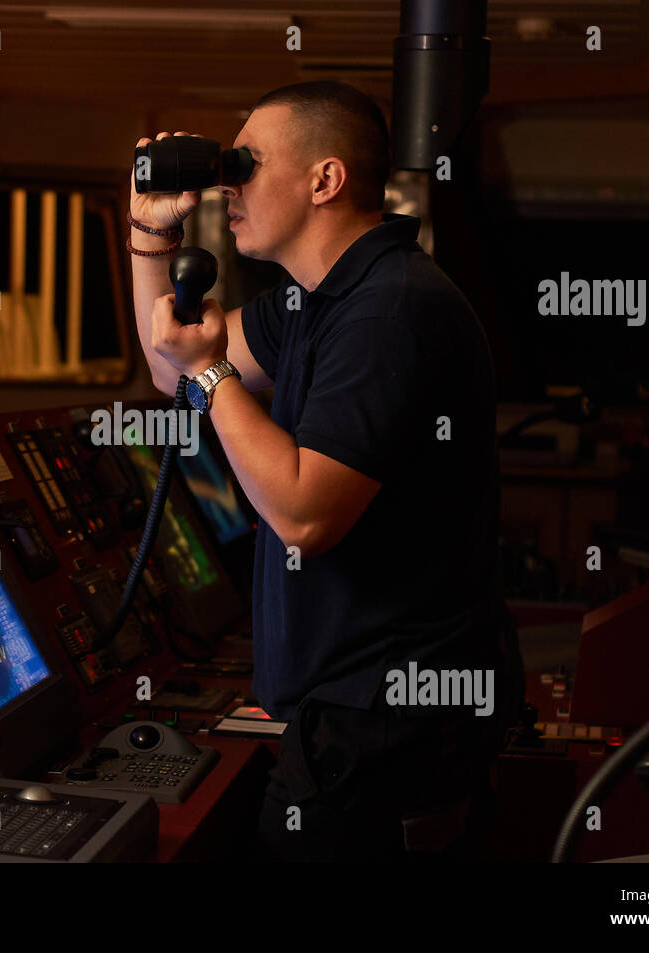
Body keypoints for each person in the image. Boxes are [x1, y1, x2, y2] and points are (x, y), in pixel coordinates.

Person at [126, 80, 522, 862]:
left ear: (325, 179)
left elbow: (306, 513)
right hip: (355, 723)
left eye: (246, 163)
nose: (229, 184)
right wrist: (147, 238)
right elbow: (173, 367)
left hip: (383, 736)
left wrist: (213, 377)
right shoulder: (320, 301)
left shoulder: (389, 310)